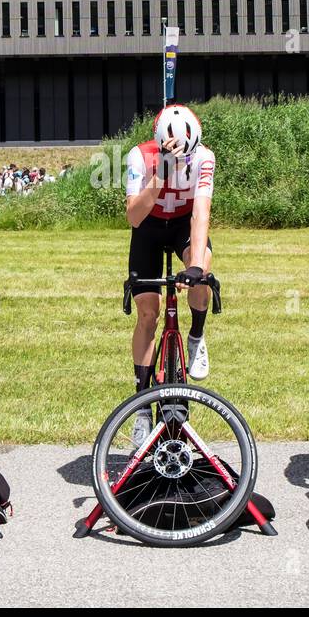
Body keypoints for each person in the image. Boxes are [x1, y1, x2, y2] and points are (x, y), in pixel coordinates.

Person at [125, 104, 216, 444]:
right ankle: (141, 408)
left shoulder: (205, 158)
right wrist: (159, 176)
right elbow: (134, 217)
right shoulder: (140, 156)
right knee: (148, 313)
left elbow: (201, 212)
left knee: (203, 271)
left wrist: (194, 266)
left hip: (182, 224)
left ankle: (195, 335)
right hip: (149, 226)